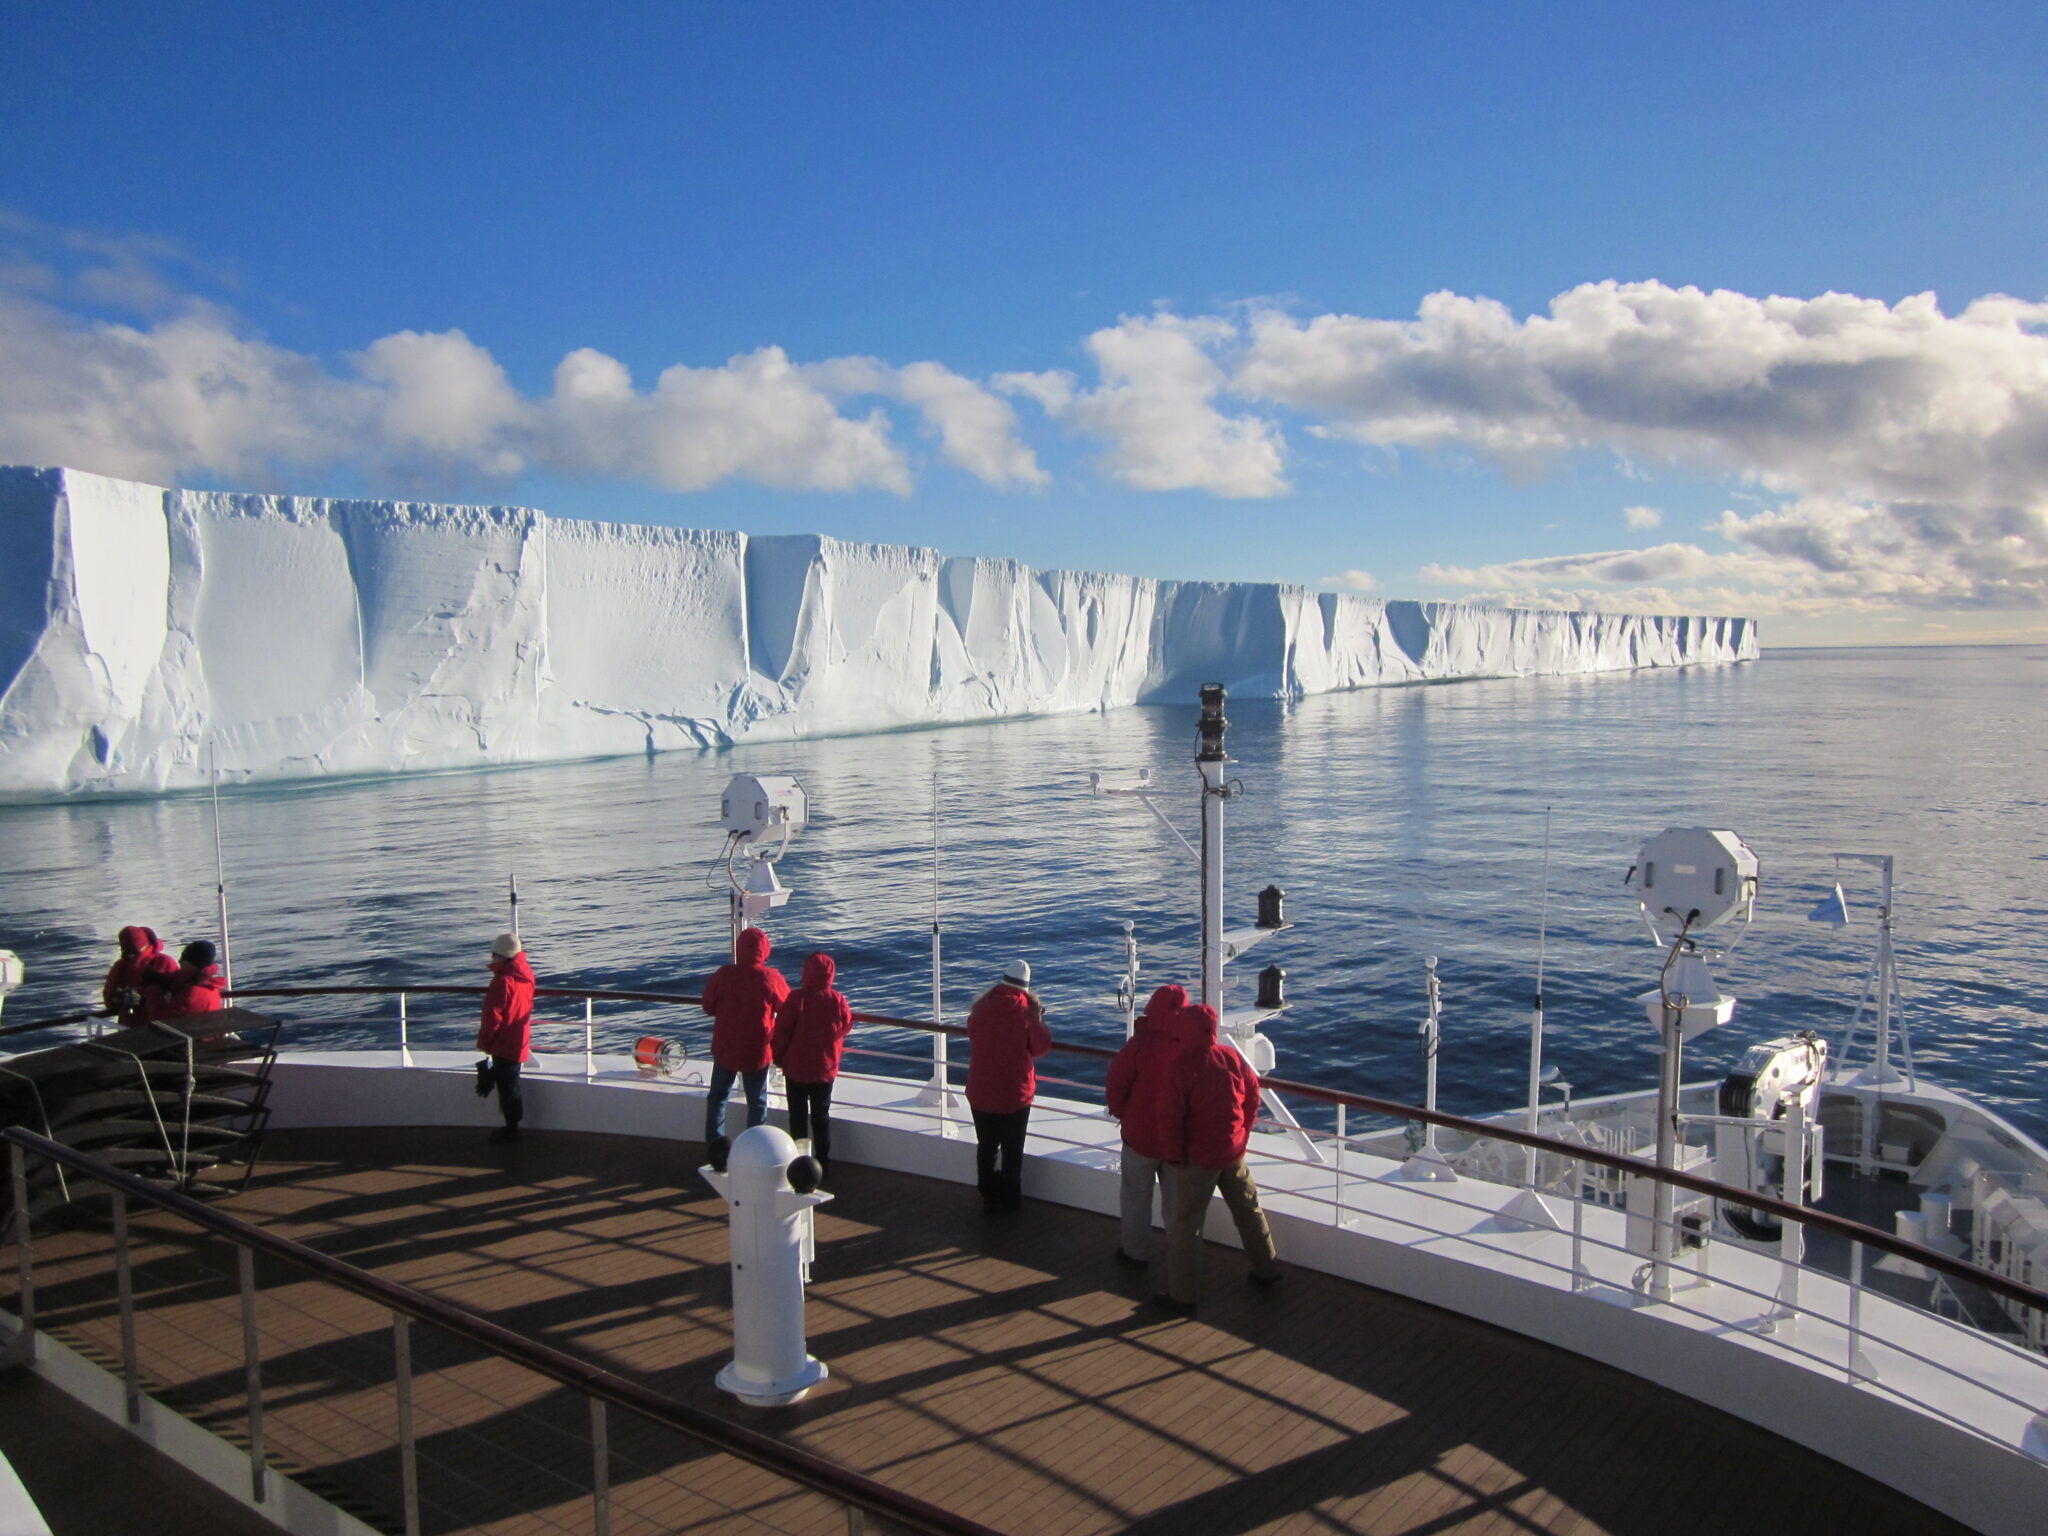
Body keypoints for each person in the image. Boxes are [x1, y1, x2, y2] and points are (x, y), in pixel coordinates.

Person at [1155, 1003, 1280, 1312]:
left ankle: (1182, 1296)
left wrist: (1174, 1156)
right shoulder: (1231, 1057)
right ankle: (1267, 1270)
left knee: (1187, 1226)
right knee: (1249, 1211)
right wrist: (1242, 1134)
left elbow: (1170, 1118)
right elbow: (1252, 1096)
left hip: (1198, 1158)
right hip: (1232, 1152)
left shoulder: (1181, 1067)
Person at [1104, 983, 1188, 1268]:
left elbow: (1117, 1083)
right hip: (1178, 1138)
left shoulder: (1139, 1045)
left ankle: (1134, 1252)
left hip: (1141, 1134)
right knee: (1178, 1204)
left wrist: (1123, 1113)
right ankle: (1180, 1258)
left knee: (1135, 1197)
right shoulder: (1191, 1046)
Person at [965, 960, 1050, 1214]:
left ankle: (988, 1195)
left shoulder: (981, 1008)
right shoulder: (1026, 1012)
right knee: (1012, 1150)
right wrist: (1039, 1019)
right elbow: (1040, 1047)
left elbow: (974, 1033)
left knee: (987, 1146)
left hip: (981, 1092)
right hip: (1015, 1094)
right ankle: (1011, 1200)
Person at [700, 927, 789, 1167]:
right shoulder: (771, 978)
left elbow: (708, 1006)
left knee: (718, 1097)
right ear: (765, 950)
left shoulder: (724, 975)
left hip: (726, 1046)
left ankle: (714, 1146)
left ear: (739, 948)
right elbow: (786, 1007)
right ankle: (755, 1150)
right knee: (757, 1102)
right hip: (756, 1049)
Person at [771, 952, 854, 1178]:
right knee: (821, 1117)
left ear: (806, 972)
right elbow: (846, 1026)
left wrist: (779, 1057)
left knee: (797, 1117)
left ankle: (800, 1164)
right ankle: (823, 1163)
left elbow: (781, 1032)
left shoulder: (796, 999)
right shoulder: (837, 1000)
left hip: (796, 1068)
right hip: (824, 1069)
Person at [476, 932, 535, 1142]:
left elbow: (493, 1017)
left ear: (500, 955)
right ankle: (512, 1127)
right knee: (510, 1082)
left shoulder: (503, 981)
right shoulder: (526, 975)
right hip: (519, 1037)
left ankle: (512, 1130)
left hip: (504, 1041)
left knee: (507, 1087)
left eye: (494, 954)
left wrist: (485, 1042)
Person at [102, 926, 176, 1026]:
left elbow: (178, 994)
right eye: (127, 952)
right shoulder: (121, 966)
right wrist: (116, 1000)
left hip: (160, 1025)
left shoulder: (164, 962)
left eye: (135, 951)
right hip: (129, 1026)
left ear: (146, 946)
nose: (131, 956)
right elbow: (108, 995)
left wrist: (143, 995)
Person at [157, 940, 225, 1019]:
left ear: (194, 963)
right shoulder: (210, 986)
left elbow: (159, 1018)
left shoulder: (193, 992)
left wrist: (153, 990)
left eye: (184, 958)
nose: (179, 961)